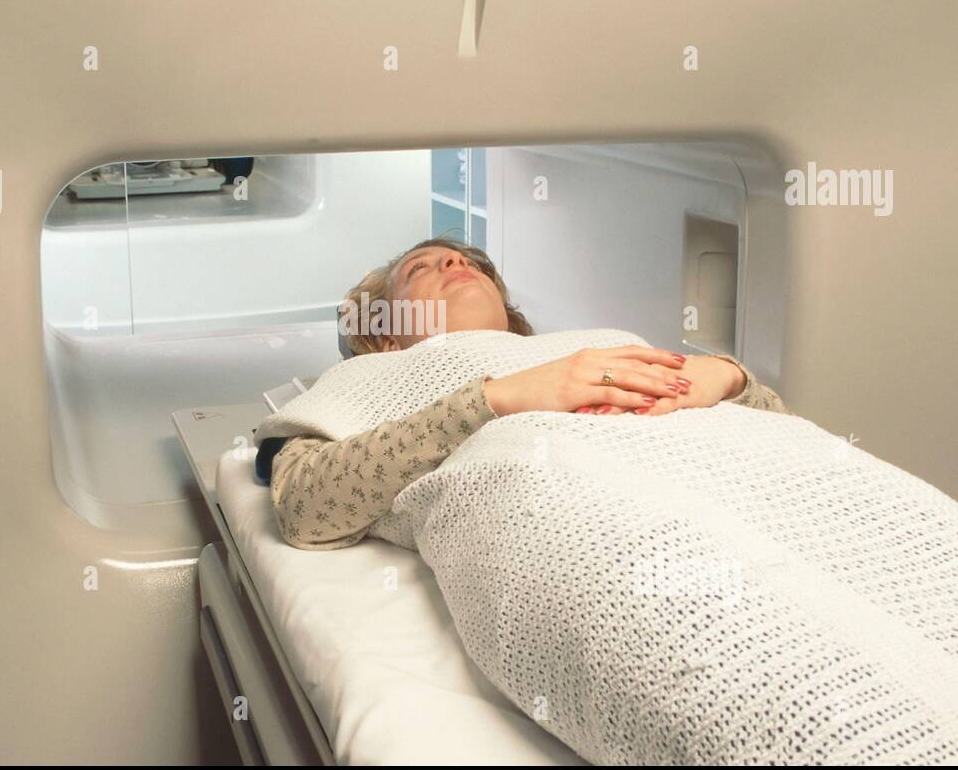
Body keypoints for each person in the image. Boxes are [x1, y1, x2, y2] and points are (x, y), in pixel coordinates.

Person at [265, 236, 789, 550]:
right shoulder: (371, 377)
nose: (455, 264)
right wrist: (497, 398)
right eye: (420, 269)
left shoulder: (598, 342)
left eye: (468, 264)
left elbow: (782, 429)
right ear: (384, 335)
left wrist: (728, 377)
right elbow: (304, 508)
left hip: (751, 499)